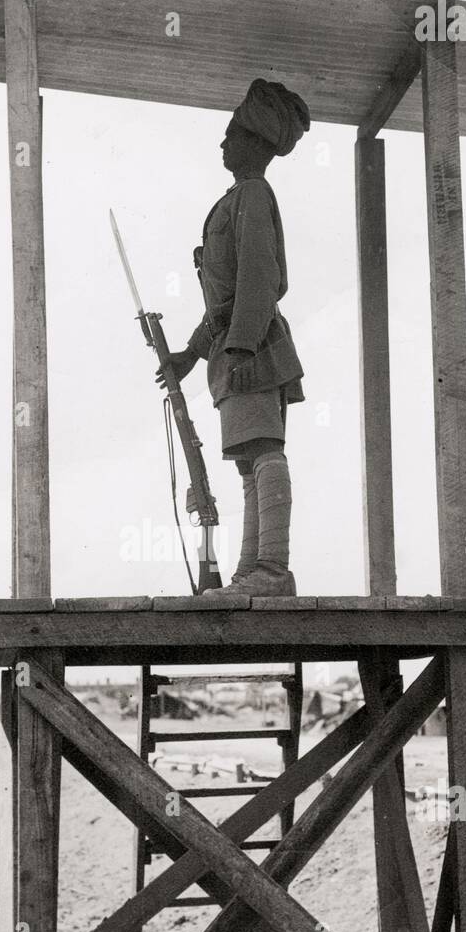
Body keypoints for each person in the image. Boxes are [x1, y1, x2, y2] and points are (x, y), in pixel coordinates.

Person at [157, 78, 310, 597]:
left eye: (231, 136)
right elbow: (221, 305)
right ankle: (252, 575)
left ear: (254, 144)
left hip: (253, 347)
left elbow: (259, 280)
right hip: (234, 347)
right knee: (249, 461)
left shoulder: (252, 194)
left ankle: (271, 570)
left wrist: (241, 346)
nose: (223, 145)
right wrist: (190, 355)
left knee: (264, 452)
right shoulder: (238, 197)